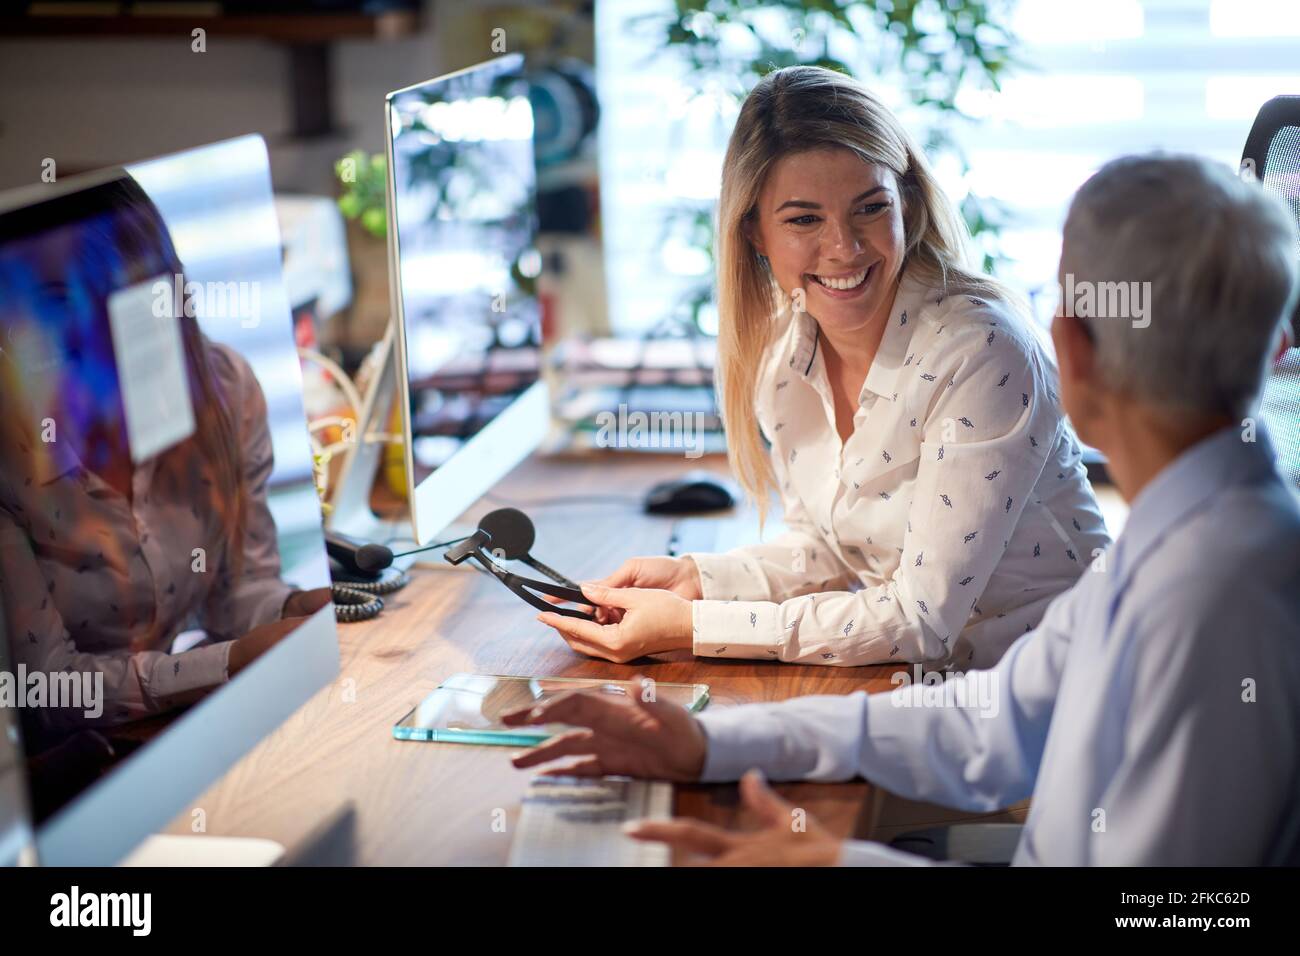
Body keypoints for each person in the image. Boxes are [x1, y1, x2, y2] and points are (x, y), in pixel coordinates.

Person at [505, 153, 1300, 866]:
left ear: (1070, 349)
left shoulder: (1219, 596)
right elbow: (988, 724)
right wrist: (710, 742)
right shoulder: (1179, 538)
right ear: (1280, 348)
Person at [538, 66, 1109, 669]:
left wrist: (693, 626)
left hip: (1062, 689)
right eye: (804, 219)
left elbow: (919, 621)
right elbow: (830, 554)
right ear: (755, 230)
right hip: (938, 691)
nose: (844, 247)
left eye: (868, 209)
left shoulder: (981, 352)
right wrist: (694, 580)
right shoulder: (784, 355)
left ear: (907, 206)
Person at [0, 178, 330, 746]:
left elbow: (237, 593)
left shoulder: (224, 390)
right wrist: (224, 664)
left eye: (117, 294)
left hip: (176, 738)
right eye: (53, 300)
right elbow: (44, 689)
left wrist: (295, 606)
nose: (86, 330)